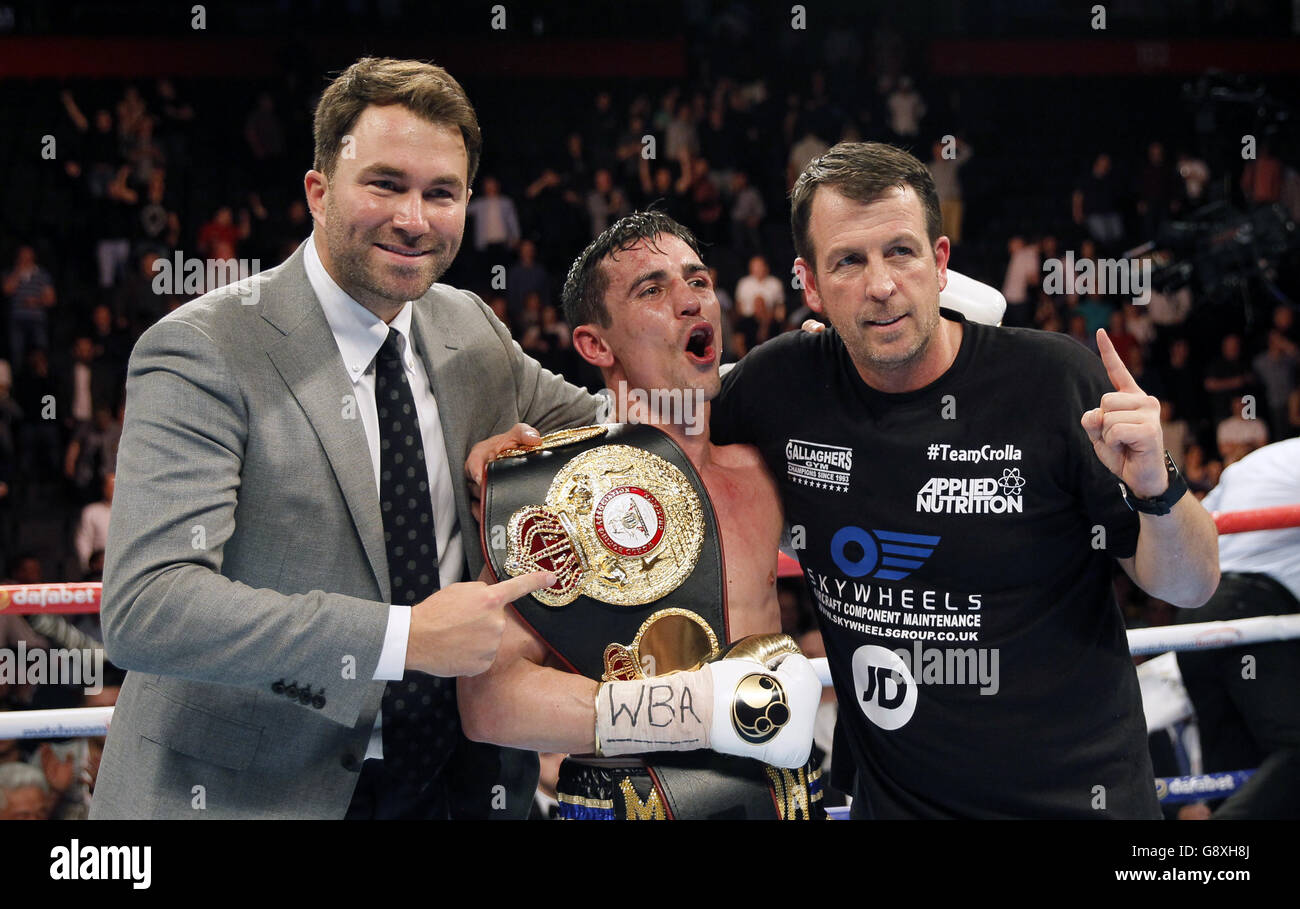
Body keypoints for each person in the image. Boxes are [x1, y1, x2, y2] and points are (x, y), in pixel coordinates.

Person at [91, 57, 601, 820]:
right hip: (250, 792)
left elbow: (604, 426)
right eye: (386, 184)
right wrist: (405, 637)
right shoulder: (205, 348)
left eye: (442, 193)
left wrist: (532, 459)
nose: (414, 218)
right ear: (318, 191)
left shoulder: (469, 327)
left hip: (459, 785)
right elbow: (147, 606)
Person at [710, 141, 1220, 818]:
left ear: (941, 261)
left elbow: (1192, 584)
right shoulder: (781, 385)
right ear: (809, 283)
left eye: (901, 251)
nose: (881, 284)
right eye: (849, 262)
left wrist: (1158, 489)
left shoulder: (1054, 382)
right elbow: (650, 449)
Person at [458, 211, 824, 819]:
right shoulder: (563, 489)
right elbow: (489, 700)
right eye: (652, 290)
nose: (690, 301)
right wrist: (699, 711)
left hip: (782, 799)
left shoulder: (766, 464)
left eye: (699, 281)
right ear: (596, 344)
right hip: (630, 801)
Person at [1175, 438, 1300, 819]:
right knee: (1295, 750)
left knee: (1235, 770)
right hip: (1254, 613)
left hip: (1197, 616)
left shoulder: (1249, 466)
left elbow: (1191, 535)